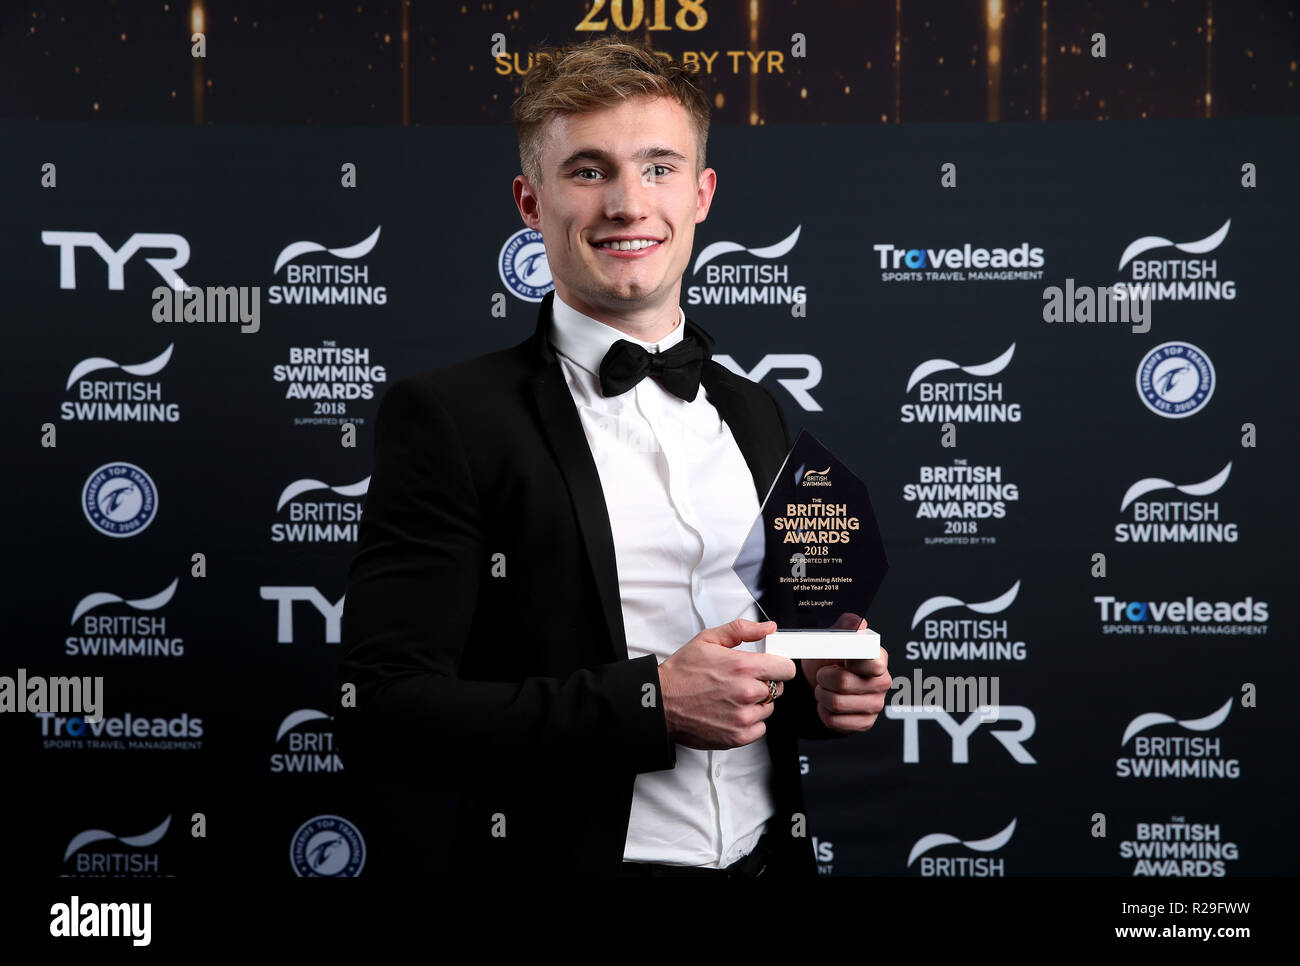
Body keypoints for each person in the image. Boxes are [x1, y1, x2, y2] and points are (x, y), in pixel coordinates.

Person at [335, 35, 891, 878]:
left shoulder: (755, 411)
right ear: (531, 202)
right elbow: (382, 716)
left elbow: (767, 667)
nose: (630, 204)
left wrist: (821, 689)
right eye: (590, 171)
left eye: (660, 168)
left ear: (702, 194)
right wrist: (648, 705)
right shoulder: (450, 418)